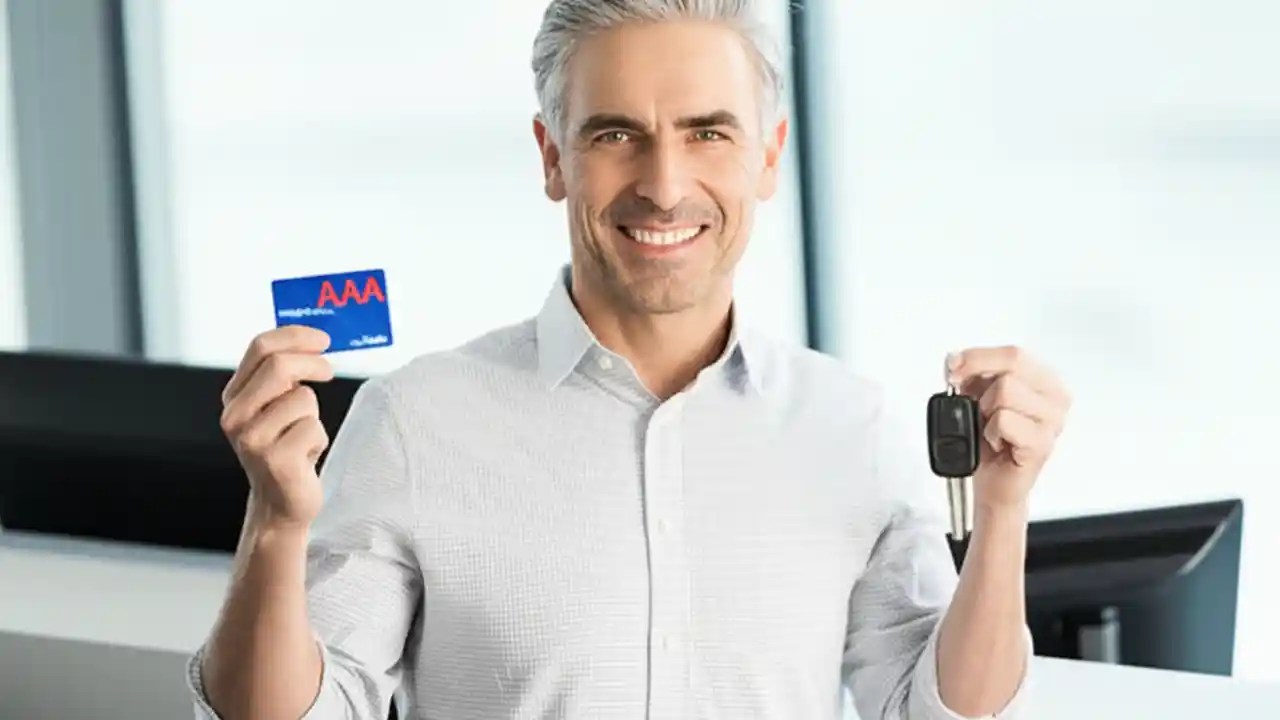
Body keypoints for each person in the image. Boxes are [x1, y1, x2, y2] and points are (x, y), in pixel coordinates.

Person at [188, 1, 1071, 718]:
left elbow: (935, 714)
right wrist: (275, 520)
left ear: (767, 157)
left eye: (707, 134)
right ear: (552, 158)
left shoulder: (856, 428)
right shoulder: (415, 420)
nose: (664, 183)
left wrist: (1001, 515)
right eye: (616, 135)